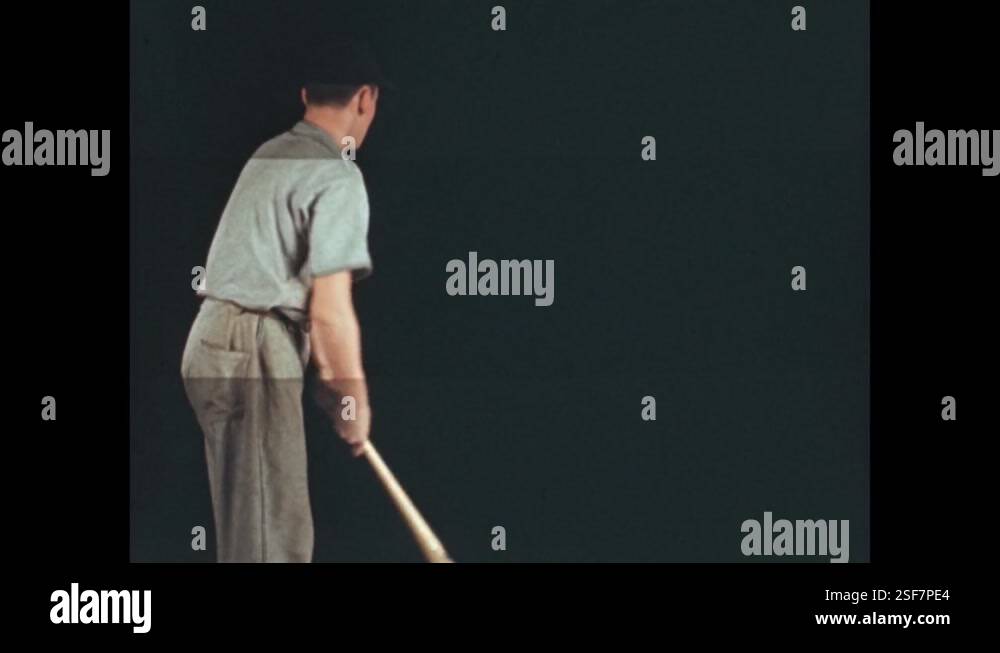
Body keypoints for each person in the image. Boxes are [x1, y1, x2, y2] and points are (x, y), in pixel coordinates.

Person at [180, 42, 385, 562]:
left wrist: (331, 387)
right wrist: (355, 400)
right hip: (253, 348)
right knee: (273, 546)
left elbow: (277, 281)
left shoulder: (270, 152)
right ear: (366, 98)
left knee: (250, 536)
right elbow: (329, 310)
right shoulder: (338, 176)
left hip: (212, 342)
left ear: (305, 95)